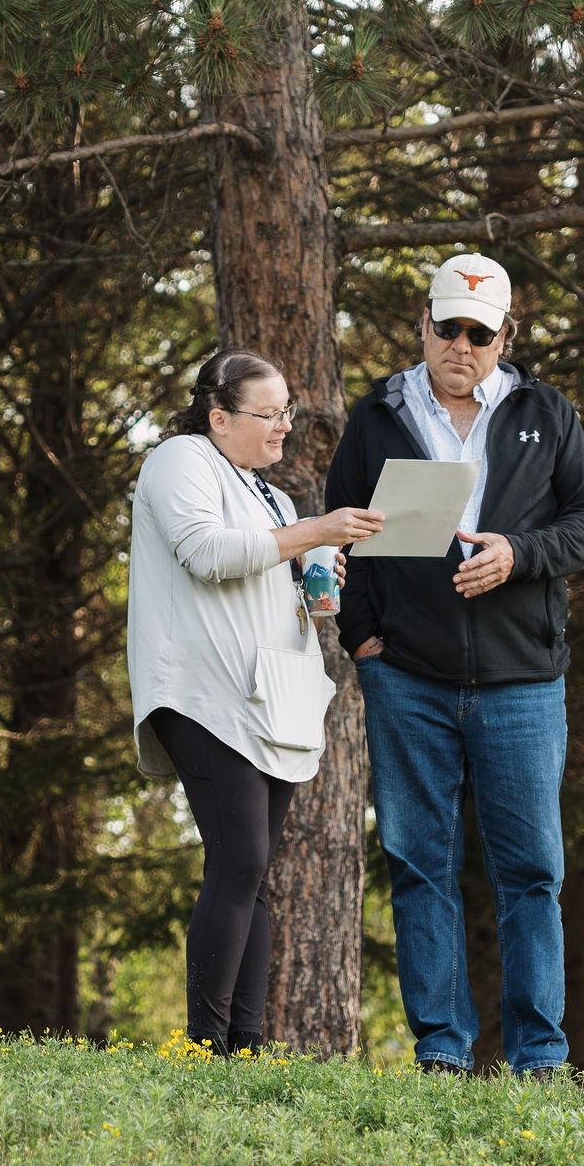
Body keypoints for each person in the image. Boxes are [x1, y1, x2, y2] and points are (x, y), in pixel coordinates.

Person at [324, 254, 584, 1077]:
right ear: (423, 325)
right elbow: (343, 531)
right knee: (419, 867)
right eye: (446, 326)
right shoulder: (377, 416)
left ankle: (539, 1058)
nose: (460, 344)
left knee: (532, 873)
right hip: (406, 678)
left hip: (524, 683)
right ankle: (442, 1052)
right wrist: (363, 638)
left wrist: (520, 553)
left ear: (504, 337)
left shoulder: (547, 415)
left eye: (479, 333)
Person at [126, 350, 384, 1055]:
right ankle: (206, 1043)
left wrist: (318, 575)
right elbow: (208, 553)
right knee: (239, 859)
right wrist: (315, 532)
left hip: (270, 701)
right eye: (269, 415)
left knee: (253, 870)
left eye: (287, 413)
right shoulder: (179, 460)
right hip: (204, 695)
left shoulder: (274, 497)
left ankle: (245, 1043)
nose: (284, 428)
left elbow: (279, 581)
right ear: (219, 417)